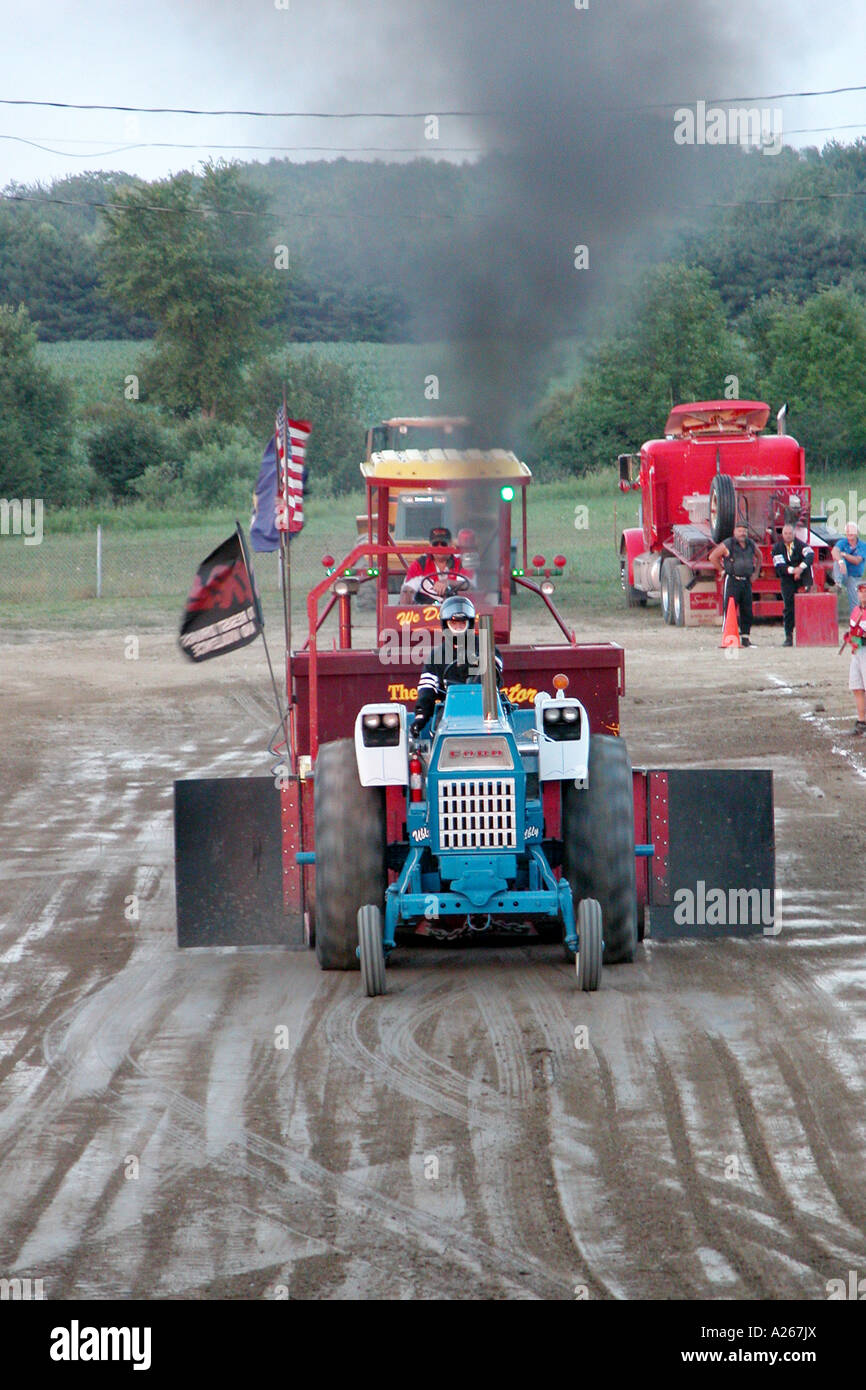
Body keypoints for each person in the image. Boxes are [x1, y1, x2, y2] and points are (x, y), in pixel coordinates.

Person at [410, 596, 503, 737]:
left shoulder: (485, 646)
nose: (458, 628)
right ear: (445, 625)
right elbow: (427, 689)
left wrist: (474, 662)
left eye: (462, 624)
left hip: (486, 708)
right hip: (450, 711)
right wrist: (421, 716)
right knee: (437, 729)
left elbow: (495, 669)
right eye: (454, 624)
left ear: (469, 624)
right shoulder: (437, 655)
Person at [709, 522, 762, 647]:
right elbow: (712, 557)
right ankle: (729, 637)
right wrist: (722, 570)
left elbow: (759, 556)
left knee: (747, 610)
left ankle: (745, 638)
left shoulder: (750, 544)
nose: (742, 533)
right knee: (730, 608)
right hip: (732, 580)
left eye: (744, 531)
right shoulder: (728, 544)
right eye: (739, 530)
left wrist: (756, 573)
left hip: (746, 581)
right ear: (734, 532)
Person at [398, 526, 474, 605]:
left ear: (451, 545)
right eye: (435, 544)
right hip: (426, 612)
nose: (439, 547)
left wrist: (448, 583)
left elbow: (469, 584)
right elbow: (407, 589)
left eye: (443, 544)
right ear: (430, 546)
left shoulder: (461, 562)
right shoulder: (420, 564)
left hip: (456, 609)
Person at [772, 523, 814, 646]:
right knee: (789, 607)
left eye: (790, 533)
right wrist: (793, 570)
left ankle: (807, 635)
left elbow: (810, 555)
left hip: (803, 579)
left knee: (805, 606)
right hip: (787, 580)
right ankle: (788, 636)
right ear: (782, 534)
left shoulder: (801, 545)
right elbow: (780, 566)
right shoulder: (777, 548)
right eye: (786, 533)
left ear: (794, 534)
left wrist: (800, 568)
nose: (788, 536)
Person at [843, 580, 866, 735]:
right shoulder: (856, 611)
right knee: (857, 687)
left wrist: (860, 637)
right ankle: (861, 721)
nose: (862, 594)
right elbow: (854, 631)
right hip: (857, 652)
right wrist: (851, 638)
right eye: (860, 591)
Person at [831, 522, 866, 613]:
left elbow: (857, 560)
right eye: (848, 531)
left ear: (857, 533)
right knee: (838, 559)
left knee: (854, 599)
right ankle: (837, 584)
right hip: (843, 574)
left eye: (852, 531)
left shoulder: (862, 545)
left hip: (855, 577)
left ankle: (855, 622)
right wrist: (841, 562)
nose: (850, 533)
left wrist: (845, 555)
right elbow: (834, 552)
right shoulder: (842, 542)